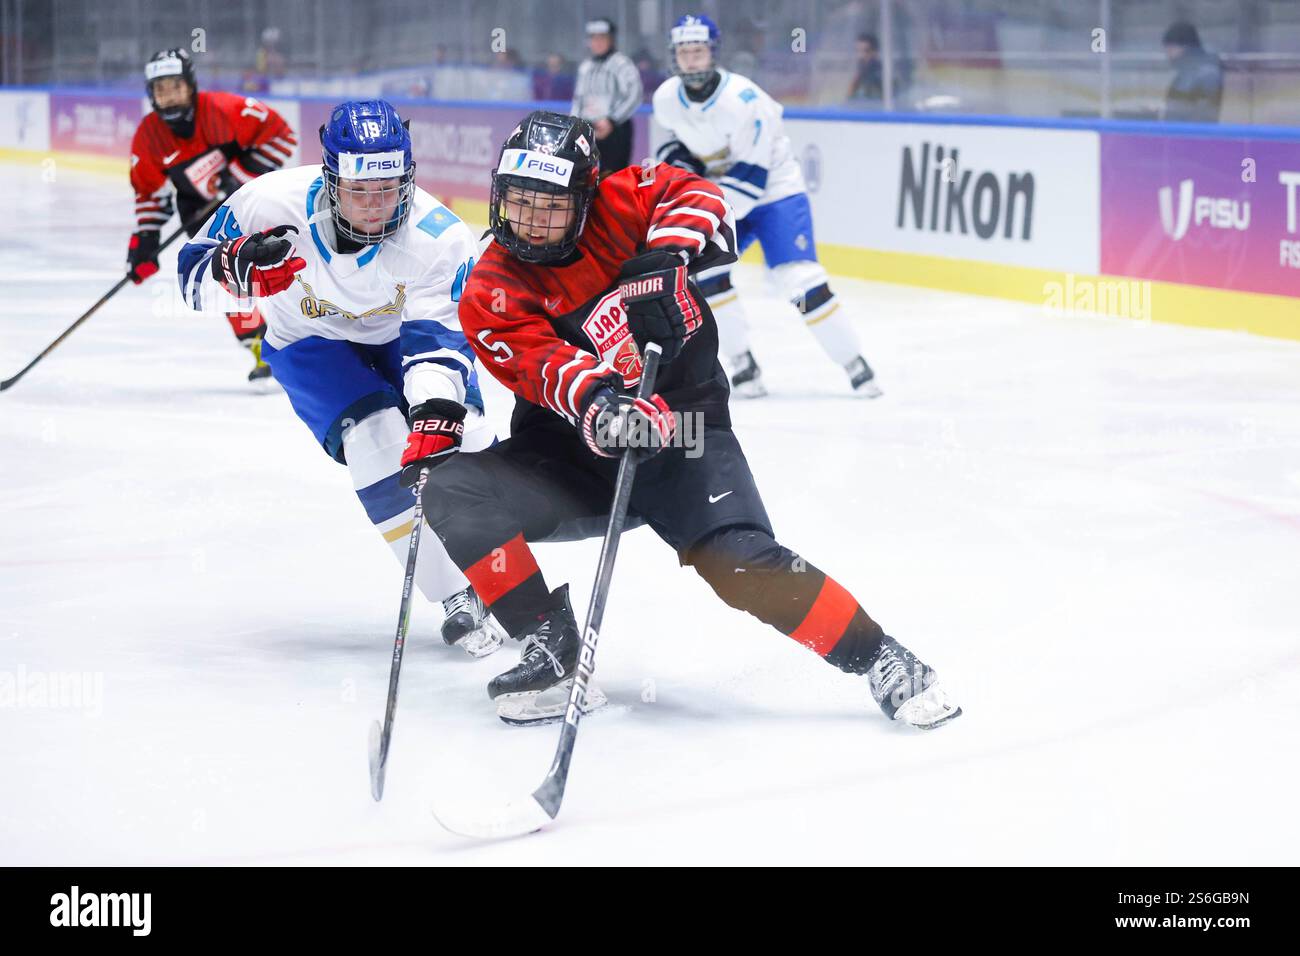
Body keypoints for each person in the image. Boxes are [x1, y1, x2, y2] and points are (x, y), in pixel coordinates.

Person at [419, 109, 961, 731]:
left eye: (553, 205)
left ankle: (882, 657)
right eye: (519, 201)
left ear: (587, 198)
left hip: (683, 431)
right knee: (453, 490)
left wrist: (668, 256)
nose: (532, 223)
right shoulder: (491, 286)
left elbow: (698, 193)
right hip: (572, 451)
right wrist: (601, 403)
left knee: (739, 563)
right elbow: (543, 369)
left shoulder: (627, 200)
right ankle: (549, 643)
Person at [176, 99, 503, 657]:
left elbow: (438, 342)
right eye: (360, 190)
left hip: (404, 336)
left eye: (389, 187)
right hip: (310, 343)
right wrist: (236, 271)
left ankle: (506, 581)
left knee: (467, 438)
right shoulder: (267, 203)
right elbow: (189, 277)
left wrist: (432, 416)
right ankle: (452, 592)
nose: (377, 206)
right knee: (374, 437)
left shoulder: (438, 236)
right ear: (331, 179)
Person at [653, 15, 880, 398]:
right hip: (723, 197)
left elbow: (750, 179)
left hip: (775, 194)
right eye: (684, 52)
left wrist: (702, 218)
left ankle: (853, 361)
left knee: (800, 281)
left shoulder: (744, 101)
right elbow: (672, 150)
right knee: (705, 278)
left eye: (698, 50)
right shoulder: (665, 98)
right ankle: (742, 362)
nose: (691, 59)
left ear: (713, 53)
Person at [128, 47, 298, 383]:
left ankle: (307, 330)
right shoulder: (149, 136)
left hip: (256, 198)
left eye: (175, 86)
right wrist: (145, 240)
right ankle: (259, 345)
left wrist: (240, 174)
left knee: (282, 260)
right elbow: (149, 192)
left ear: (191, 85)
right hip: (200, 213)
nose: (169, 96)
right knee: (227, 275)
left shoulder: (224, 109)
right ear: (151, 95)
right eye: (161, 89)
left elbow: (281, 136)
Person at [571, 17, 643, 174]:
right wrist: (576, 125)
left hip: (616, 130)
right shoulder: (586, 67)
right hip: (588, 128)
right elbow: (578, 98)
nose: (597, 42)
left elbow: (634, 95)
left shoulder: (622, 64)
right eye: (593, 38)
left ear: (611, 39)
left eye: (602, 38)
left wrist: (612, 120)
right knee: (583, 175)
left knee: (613, 177)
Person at [1161, 21, 1223, 123]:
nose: (1168, 55)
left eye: (1171, 49)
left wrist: (1172, 110)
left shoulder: (1208, 74)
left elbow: (1206, 113)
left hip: (1193, 135)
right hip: (1180, 132)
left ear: (1185, 47)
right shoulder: (1184, 73)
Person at [848, 32, 883, 101]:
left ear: (875, 52)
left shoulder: (882, 75)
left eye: (866, 51)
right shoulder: (860, 72)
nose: (860, 56)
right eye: (857, 51)